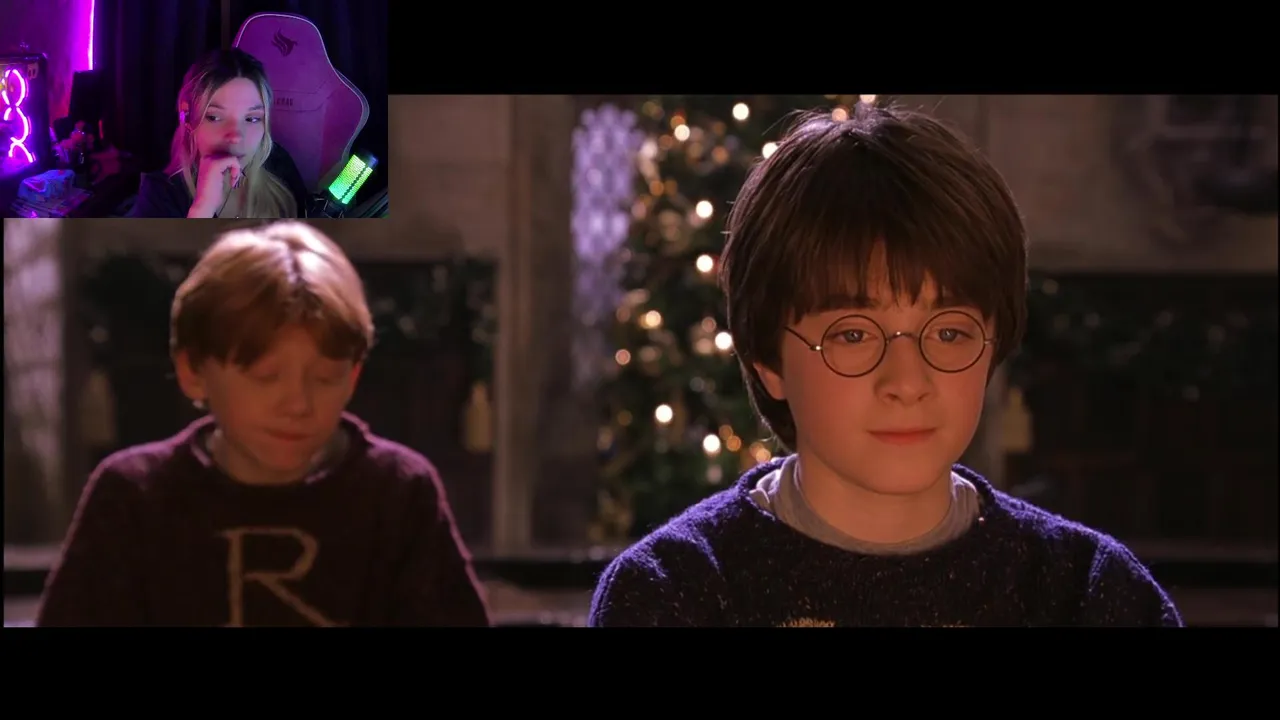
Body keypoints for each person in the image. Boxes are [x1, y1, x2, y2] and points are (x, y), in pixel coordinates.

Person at [588, 104, 1183, 627]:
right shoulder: (675, 593)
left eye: (948, 332)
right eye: (852, 335)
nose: (907, 383)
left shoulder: (1087, 593)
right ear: (768, 360)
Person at [38, 222, 490, 627]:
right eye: (265, 376)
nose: (298, 404)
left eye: (325, 378)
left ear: (353, 378)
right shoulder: (133, 495)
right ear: (194, 371)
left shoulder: (399, 493)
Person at [127, 49, 309, 218]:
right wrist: (202, 208)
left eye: (252, 119)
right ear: (187, 118)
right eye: (214, 117)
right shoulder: (160, 195)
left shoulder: (279, 165)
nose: (236, 136)